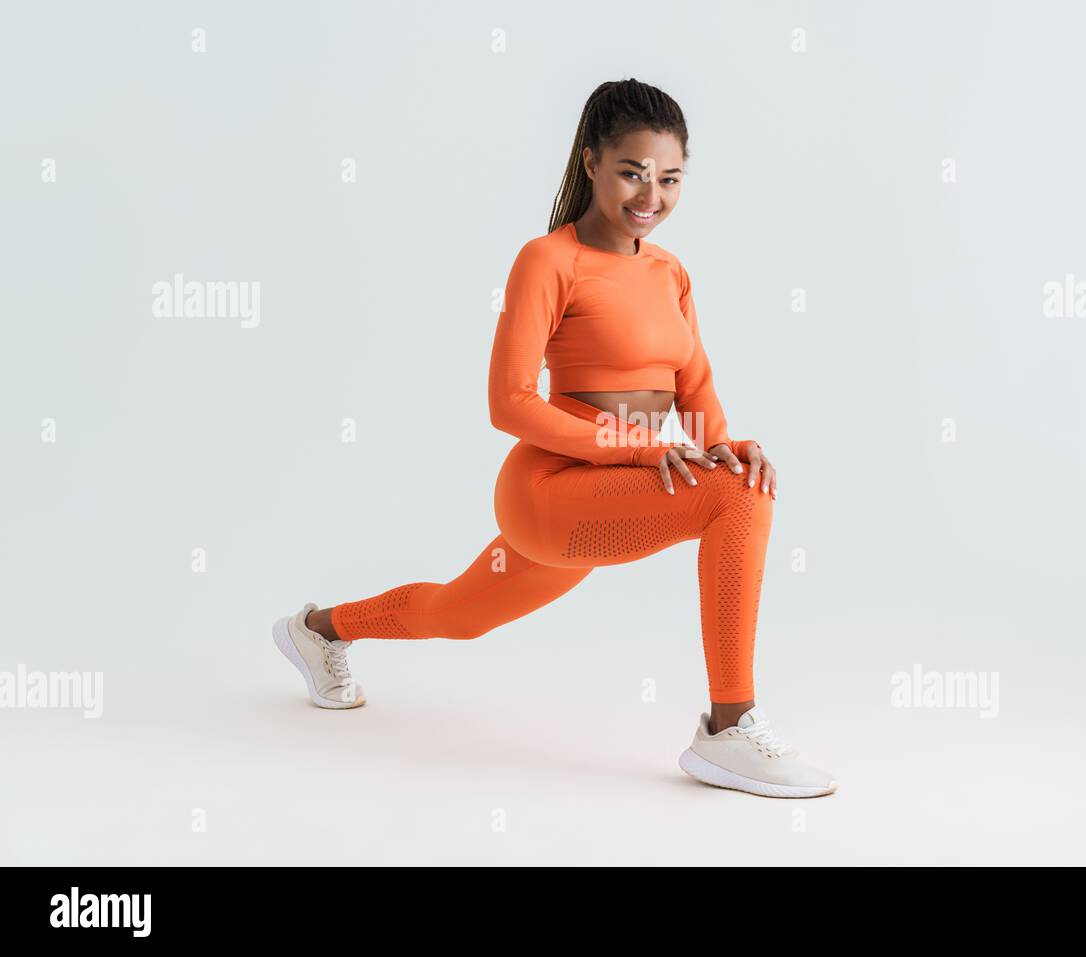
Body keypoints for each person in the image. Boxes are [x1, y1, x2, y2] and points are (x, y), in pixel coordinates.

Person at [272, 78, 837, 798]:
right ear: (592, 160)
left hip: (614, 491)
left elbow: (692, 383)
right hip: (550, 490)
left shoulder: (671, 273)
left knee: (458, 613)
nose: (650, 195)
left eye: (670, 178)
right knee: (738, 500)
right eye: (633, 171)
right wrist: (638, 448)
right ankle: (729, 728)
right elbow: (509, 403)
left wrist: (720, 442)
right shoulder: (550, 260)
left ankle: (318, 629)